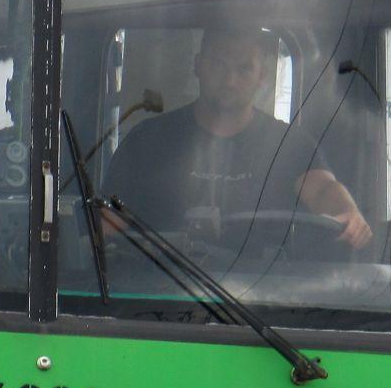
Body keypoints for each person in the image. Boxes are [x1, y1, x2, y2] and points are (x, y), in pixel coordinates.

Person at [102, 27, 372, 253]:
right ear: (198, 65)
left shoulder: (289, 145)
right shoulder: (148, 141)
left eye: (244, 69)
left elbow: (323, 189)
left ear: (261, 76)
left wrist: (346, 212)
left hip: (261, 306)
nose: (230, 80)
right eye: (218, 64)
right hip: (150, 303)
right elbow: (106, 225)